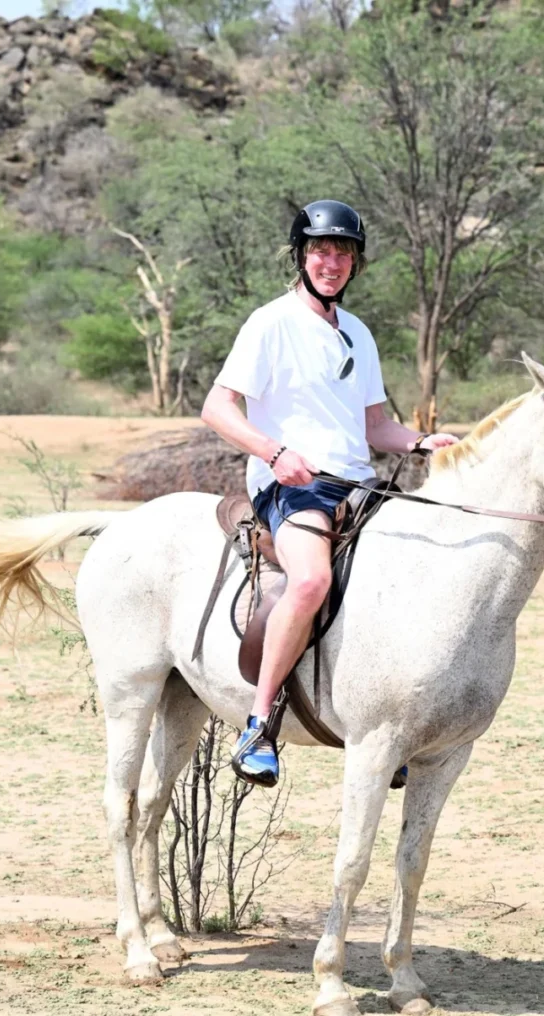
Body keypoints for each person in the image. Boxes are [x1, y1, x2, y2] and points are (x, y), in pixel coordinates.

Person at [201, 199, 459, 787]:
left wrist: (422, 442)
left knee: (413, 570)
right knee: (313, 580)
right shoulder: (270, 323)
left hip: (358, 485)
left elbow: (374, 428)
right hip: (291, 486)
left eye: (343, 252)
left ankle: (385, 721)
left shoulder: (358, 334)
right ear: (301, 256)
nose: (331, 261)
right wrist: (273, 453)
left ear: (355, 263)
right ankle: (259, 725)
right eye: (320, 250)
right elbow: (217, 407)